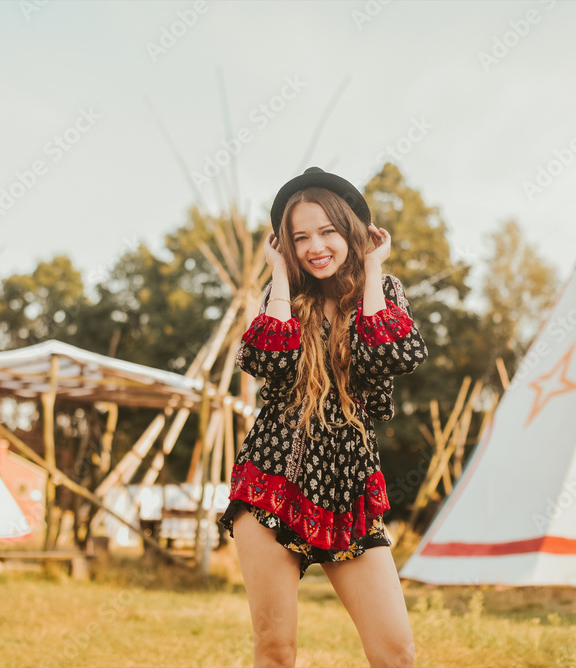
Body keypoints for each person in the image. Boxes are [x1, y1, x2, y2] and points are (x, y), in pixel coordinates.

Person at [217, 167, 428, 667]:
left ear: (351, 232)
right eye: (300, 237)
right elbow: (269, 362)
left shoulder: (382, 291)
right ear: (285, 245)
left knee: (396, 651)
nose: (316, 246)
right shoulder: (280, 301)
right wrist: (279, 277)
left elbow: (393, 355)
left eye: (328, 231)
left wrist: (374, 269)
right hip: (274, 475)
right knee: (275, 649)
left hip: (349, 483)